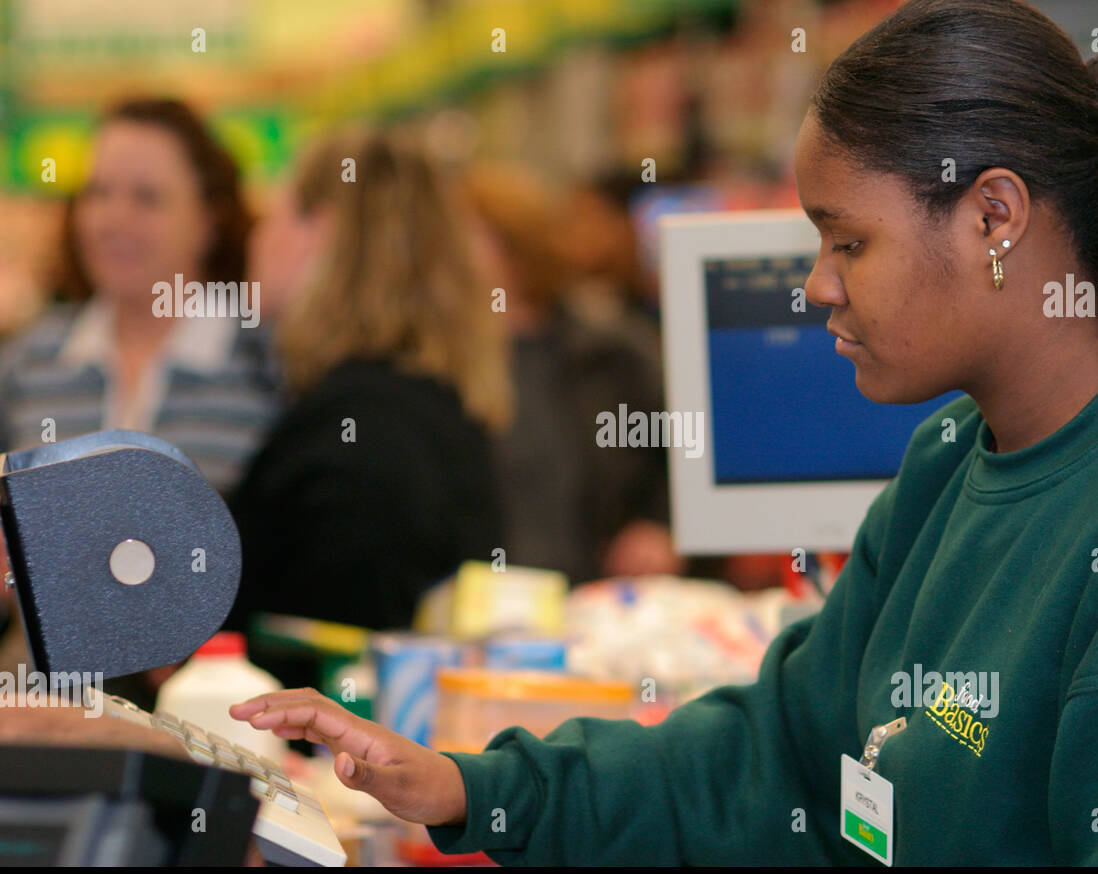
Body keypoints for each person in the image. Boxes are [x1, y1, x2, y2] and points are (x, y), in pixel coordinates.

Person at [229, 0, 1098, 865]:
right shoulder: (948, 467)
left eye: (847, 239)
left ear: (992, 218)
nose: (815, 285)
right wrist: (471, 784)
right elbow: (777, 756)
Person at [224, 129, 511, 654]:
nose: (257, 237)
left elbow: (337, 658)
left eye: (277, 215)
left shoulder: (355, 426)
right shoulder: (426, 402)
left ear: (323, 232)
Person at [0, 98, 282, 498]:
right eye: (98, 192)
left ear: (209, 218)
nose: (113, 218)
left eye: (147, 197)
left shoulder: (265, 361)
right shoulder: (29, 360)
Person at [461, 162, 681, 585]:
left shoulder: (610, 351)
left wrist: (661, 526)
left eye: (466, 239)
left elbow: (683, 445)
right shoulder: (436, 367)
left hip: (601, 606)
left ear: (514, 248)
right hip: (484, 612)